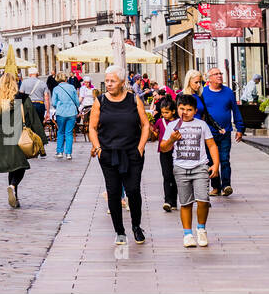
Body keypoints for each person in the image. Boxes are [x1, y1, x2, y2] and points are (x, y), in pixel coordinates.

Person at [88, 63, 150, 247]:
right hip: (108, 154)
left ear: (122, 82)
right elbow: (92, 127)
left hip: (132, 153)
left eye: (112, 81)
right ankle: (120, 232)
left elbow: (145, 125)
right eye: (106, 81)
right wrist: (98, 148)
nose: (108, 84)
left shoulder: (133, 100)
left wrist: (140, 147)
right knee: (114, 193)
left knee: (133, 191)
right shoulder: (100, 101)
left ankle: (136, 227)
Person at [160, 93, 220, 247]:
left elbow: (212, 145)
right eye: (181, 109)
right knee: (185, 203)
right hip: (180, 168)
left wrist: (216, 164)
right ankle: (187, 234)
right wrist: (172, 139)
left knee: (203, 200)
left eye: (188, 109)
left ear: (195, 111)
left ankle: (201, 229)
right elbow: (163, 147)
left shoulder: (201, 125)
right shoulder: (173, 126)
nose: (184, 112)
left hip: (200, 167)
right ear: (177, 109)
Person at [0, 71, 45, 209]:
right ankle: (12, 186)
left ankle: (15, 195)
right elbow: (32, 118)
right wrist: (41, 139)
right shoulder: (22, 98)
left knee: (13, 165)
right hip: (20, 135)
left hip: (5, 137)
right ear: (15, 83)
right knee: (21, 165)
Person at [199, 65, 244, 197]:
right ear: (209, 79)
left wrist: (239, 128)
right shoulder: (204, 93)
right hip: (209, 133)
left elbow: (235, 110)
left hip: (225, 132)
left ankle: (226, 186)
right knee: (211, 161)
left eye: (220, 73)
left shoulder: (228, 92)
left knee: (225, 159)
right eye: (216, 74)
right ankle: (216, 187)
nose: (219, 76)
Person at [154, 95, 179, 212]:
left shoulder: (179, 122)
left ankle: (174, 201)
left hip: (177, 152)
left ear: (173, 111)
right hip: (164, 152)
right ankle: (167, 200)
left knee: (175, 176)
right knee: (167, 175)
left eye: (167, 112)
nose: (164, 115)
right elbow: (155, 134)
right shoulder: (160, 121)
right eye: (163, 112)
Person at [50, 73, 80, 159]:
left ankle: (59, 152)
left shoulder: (56, 89)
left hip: (61, 113)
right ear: (66, 79)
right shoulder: (72, 87)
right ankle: (68, 154)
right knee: (69, 133)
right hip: (71, 112)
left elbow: (54, 103)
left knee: (60, 132)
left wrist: (58, 106)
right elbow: (77, 101)